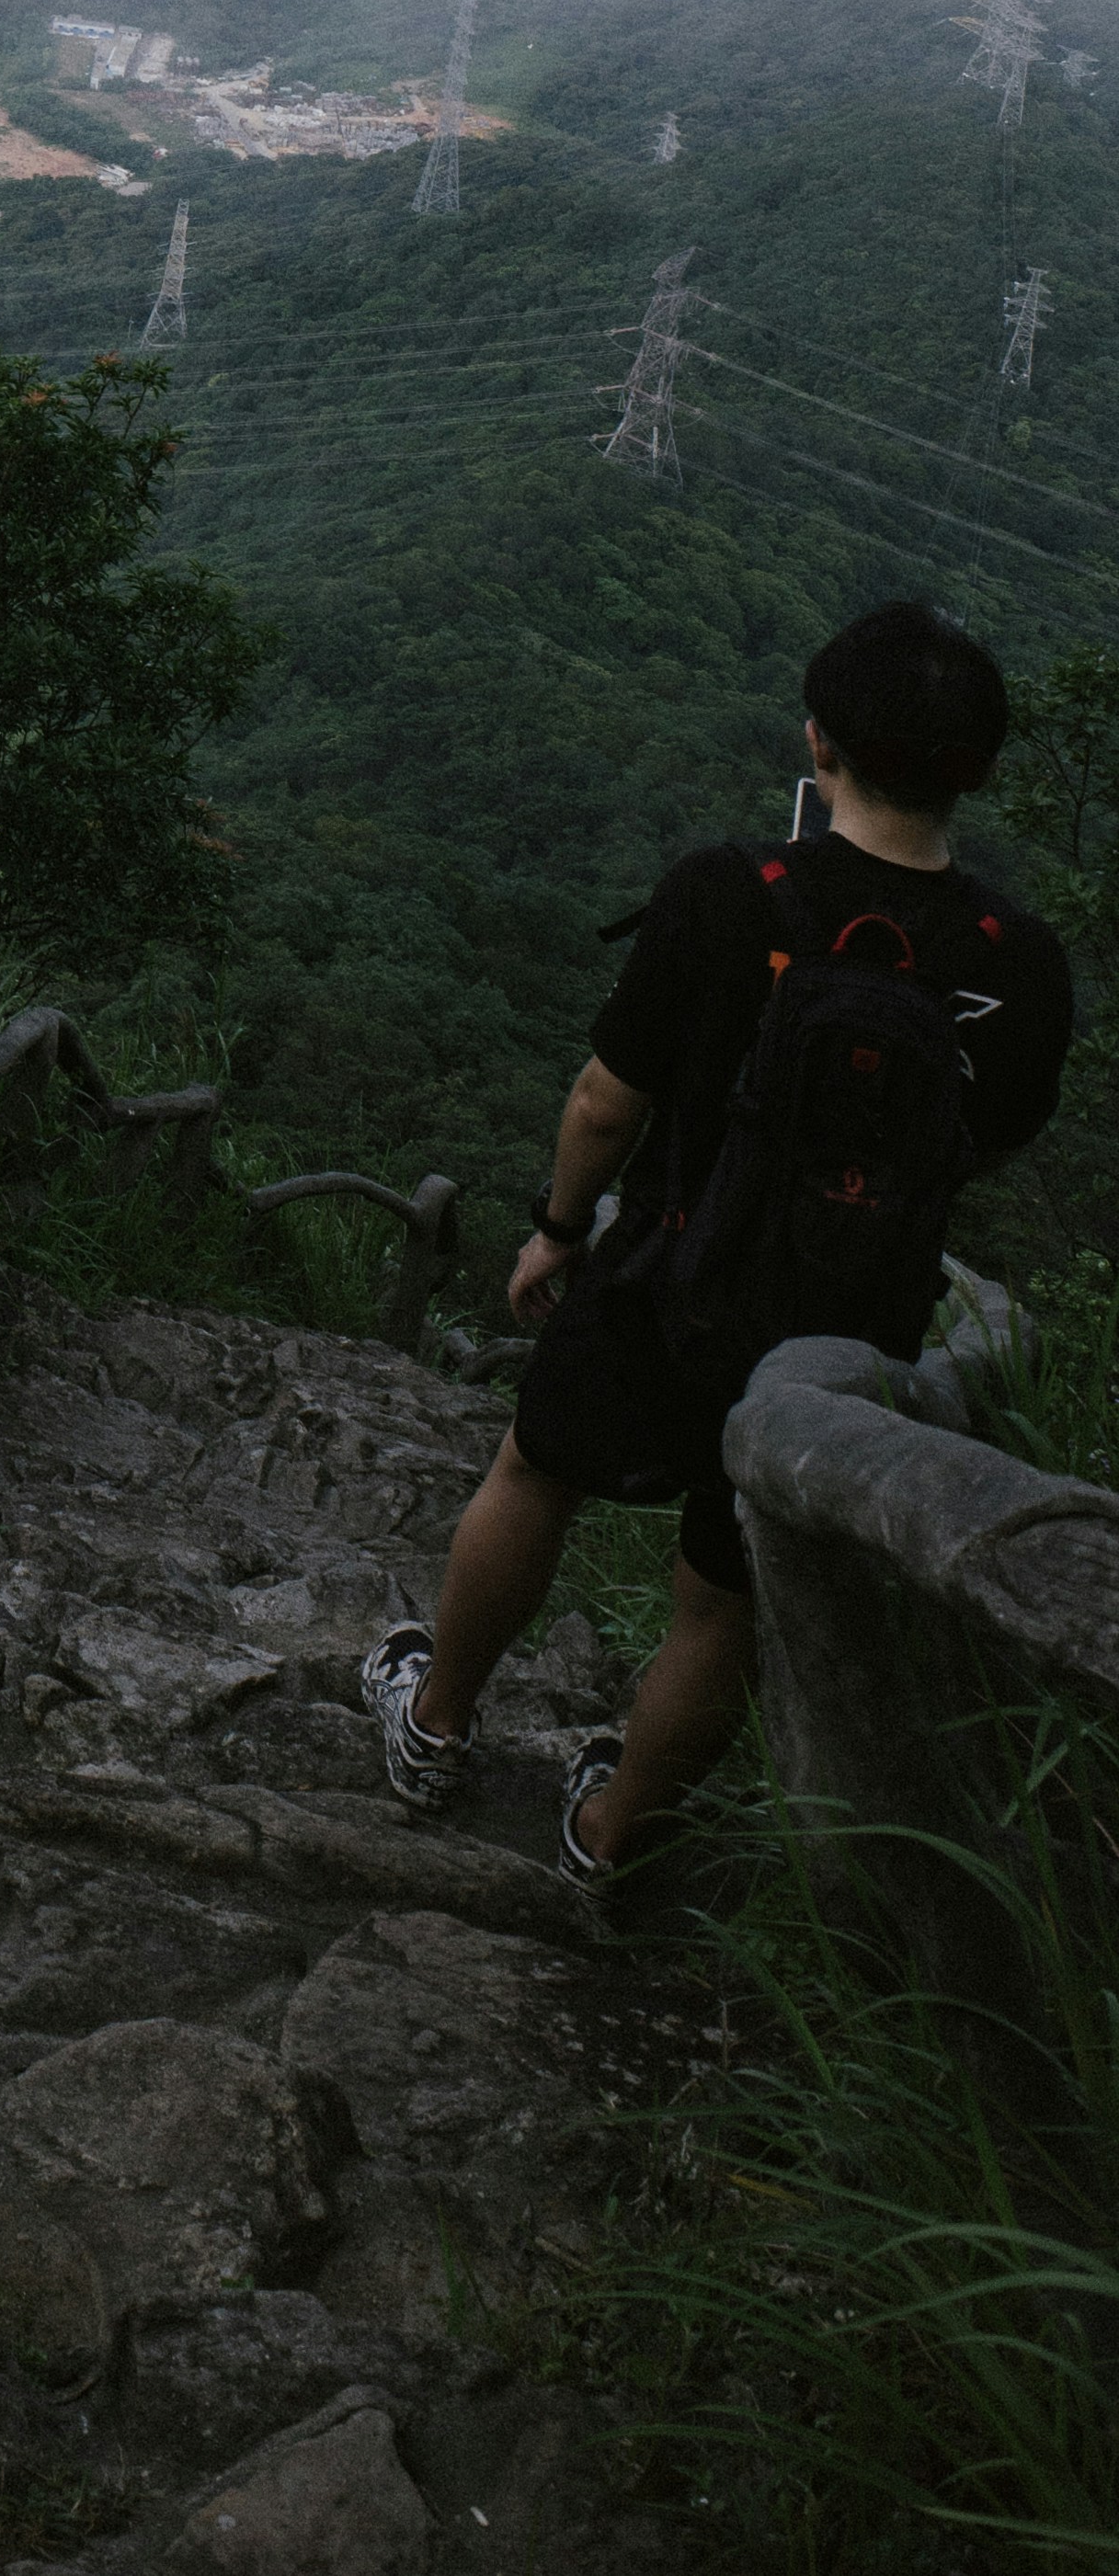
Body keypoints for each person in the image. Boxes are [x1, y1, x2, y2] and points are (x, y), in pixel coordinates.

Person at [362, 598, 1071, 1890]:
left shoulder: (730, 892)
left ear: (820, 744)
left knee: (532, 1475)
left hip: (664, 1277)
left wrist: (556, 1230)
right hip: (847, 1337)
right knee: (727, 1594)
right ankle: (610, 1834)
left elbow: (604, 1101)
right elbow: (992, 1136)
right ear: (975, 770)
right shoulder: (1016, 963)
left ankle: (434, 1722)